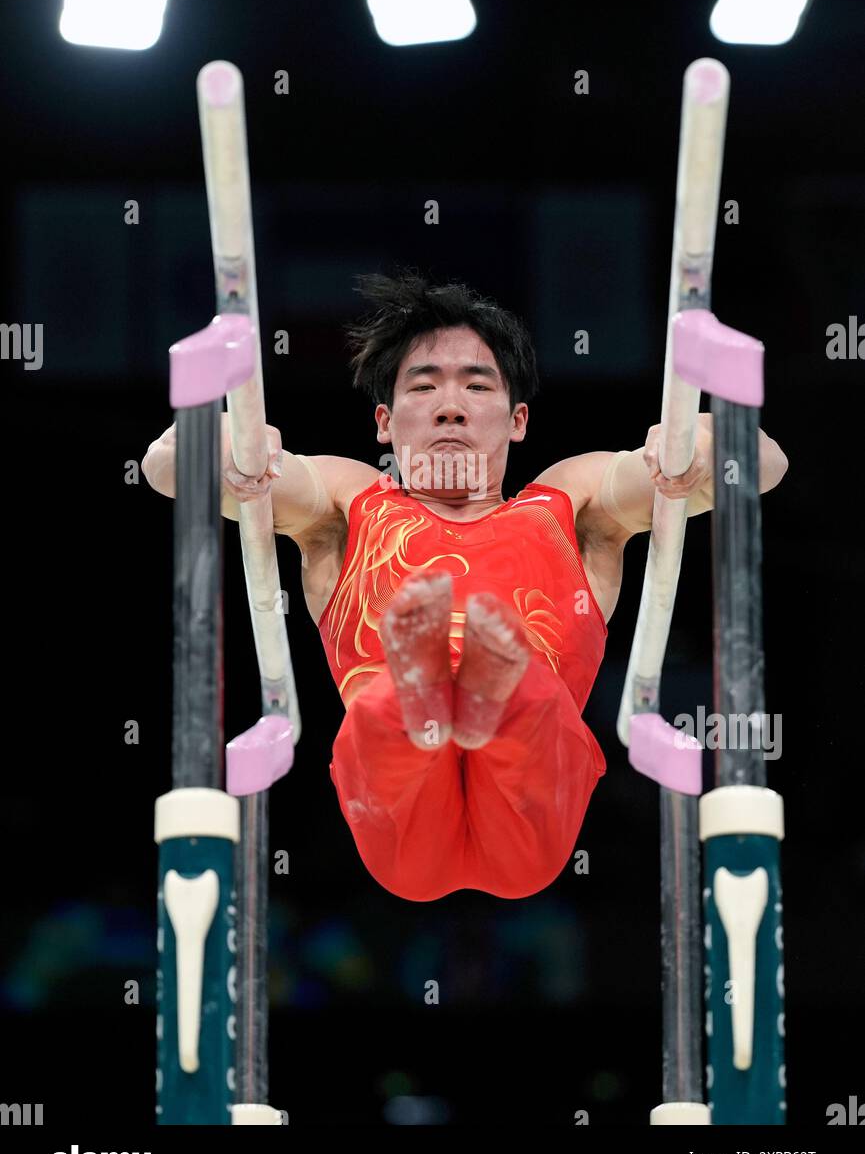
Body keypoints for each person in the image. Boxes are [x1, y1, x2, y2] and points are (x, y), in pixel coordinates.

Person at [143, 270, 788, 902]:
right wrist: (236, 447)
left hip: (531, 815)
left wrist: (692, 445)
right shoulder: (346, 503)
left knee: (527, 705)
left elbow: (763, 466)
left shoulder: (573, 502)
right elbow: (165, 468)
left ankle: (483, 684)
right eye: (423, 387)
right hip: (400, 821)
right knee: (388, 716)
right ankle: (431, 687)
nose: (451, 404)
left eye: (477, 385)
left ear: (518, 420)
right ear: (384, 424)